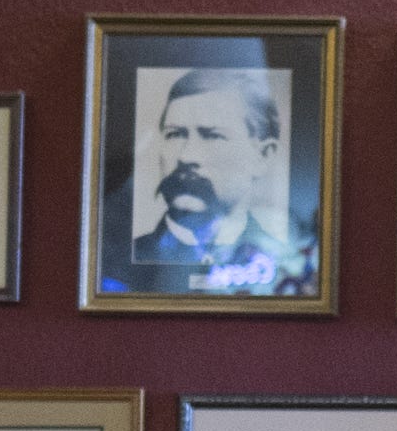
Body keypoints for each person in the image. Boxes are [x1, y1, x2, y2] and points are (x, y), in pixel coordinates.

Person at [122, 68, 315, 295]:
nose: (186, 156)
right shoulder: (128, 254)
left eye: (212, 135)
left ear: (263, 155)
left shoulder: (281, 240)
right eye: (175, 134)